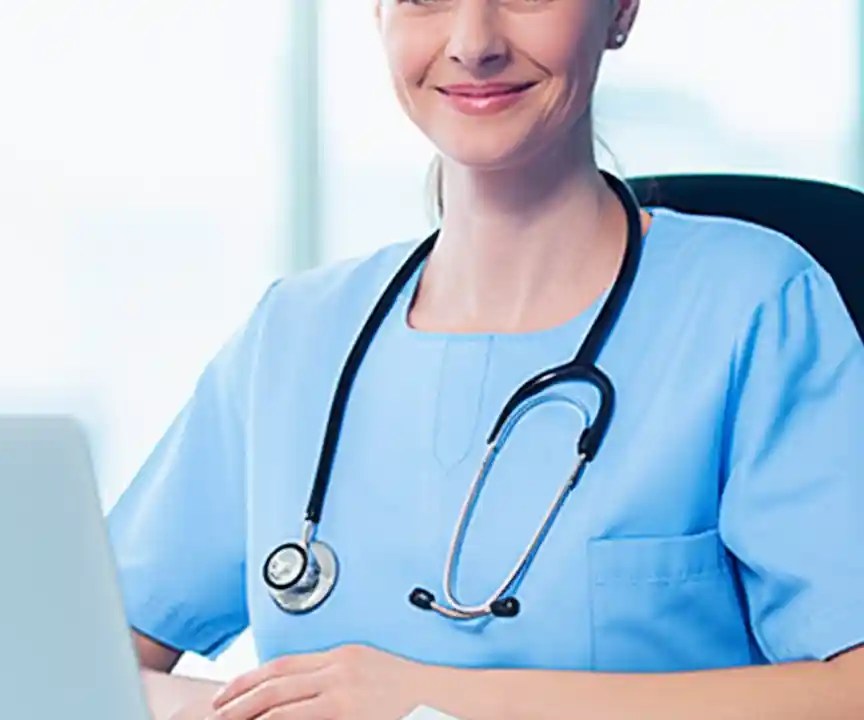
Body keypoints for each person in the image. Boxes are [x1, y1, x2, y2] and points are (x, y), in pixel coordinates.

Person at [105, 1, 864, 718]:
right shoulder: (295, 336)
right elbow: (80, 658)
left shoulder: (751, 306)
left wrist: (431, 700)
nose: (475, 41)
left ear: (622, 9)